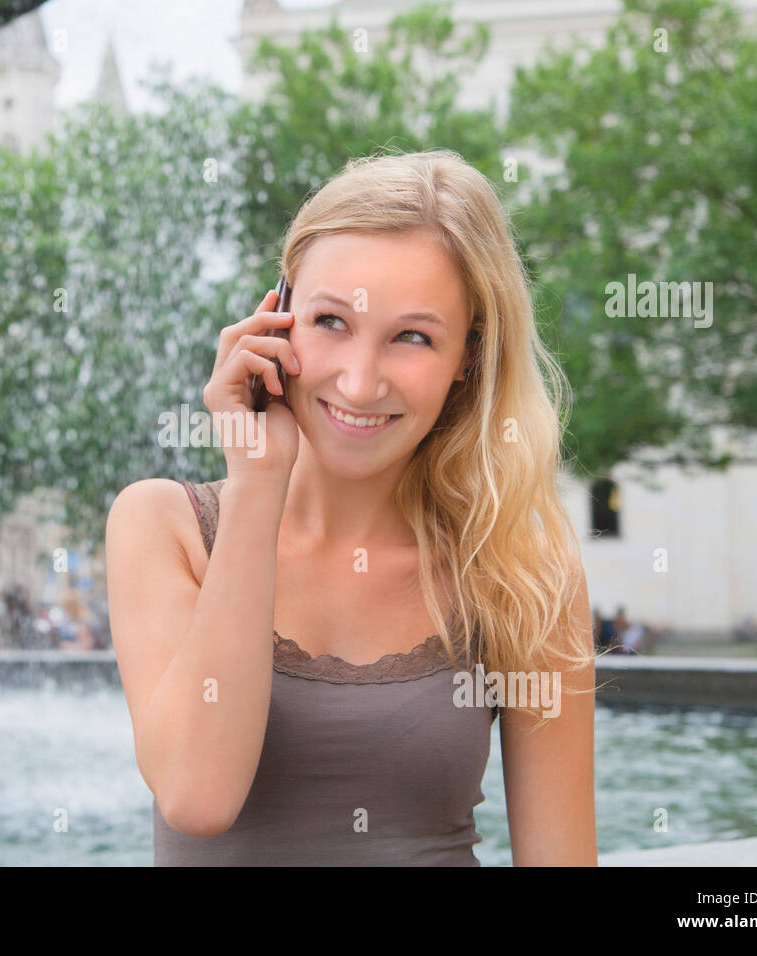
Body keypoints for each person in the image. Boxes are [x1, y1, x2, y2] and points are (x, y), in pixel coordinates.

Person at [106, 149, 597, 866]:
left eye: (413, 337)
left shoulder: (521, 568)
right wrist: (256, 482)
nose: (360, 384)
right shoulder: (161, 526)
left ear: (468, 356)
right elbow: (197, 796)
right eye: (331, 321)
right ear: (275, 318)